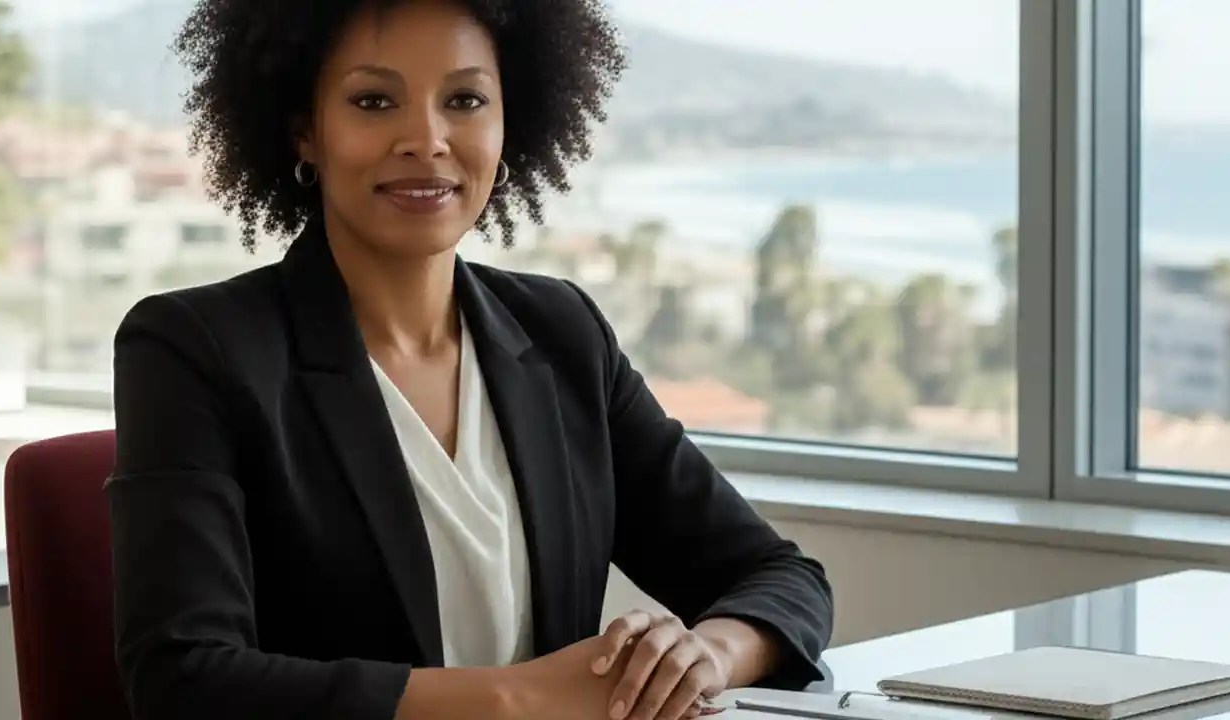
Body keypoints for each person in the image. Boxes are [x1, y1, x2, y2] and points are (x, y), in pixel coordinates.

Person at [106, 1, 834, 719]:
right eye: (373, 101)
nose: (426, 139)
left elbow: (781, 576)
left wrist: (707, 656)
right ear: (306, 131)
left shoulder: (563, 335)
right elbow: (182, 679)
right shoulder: (193, 349)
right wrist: (516, 698)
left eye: (465, 101)